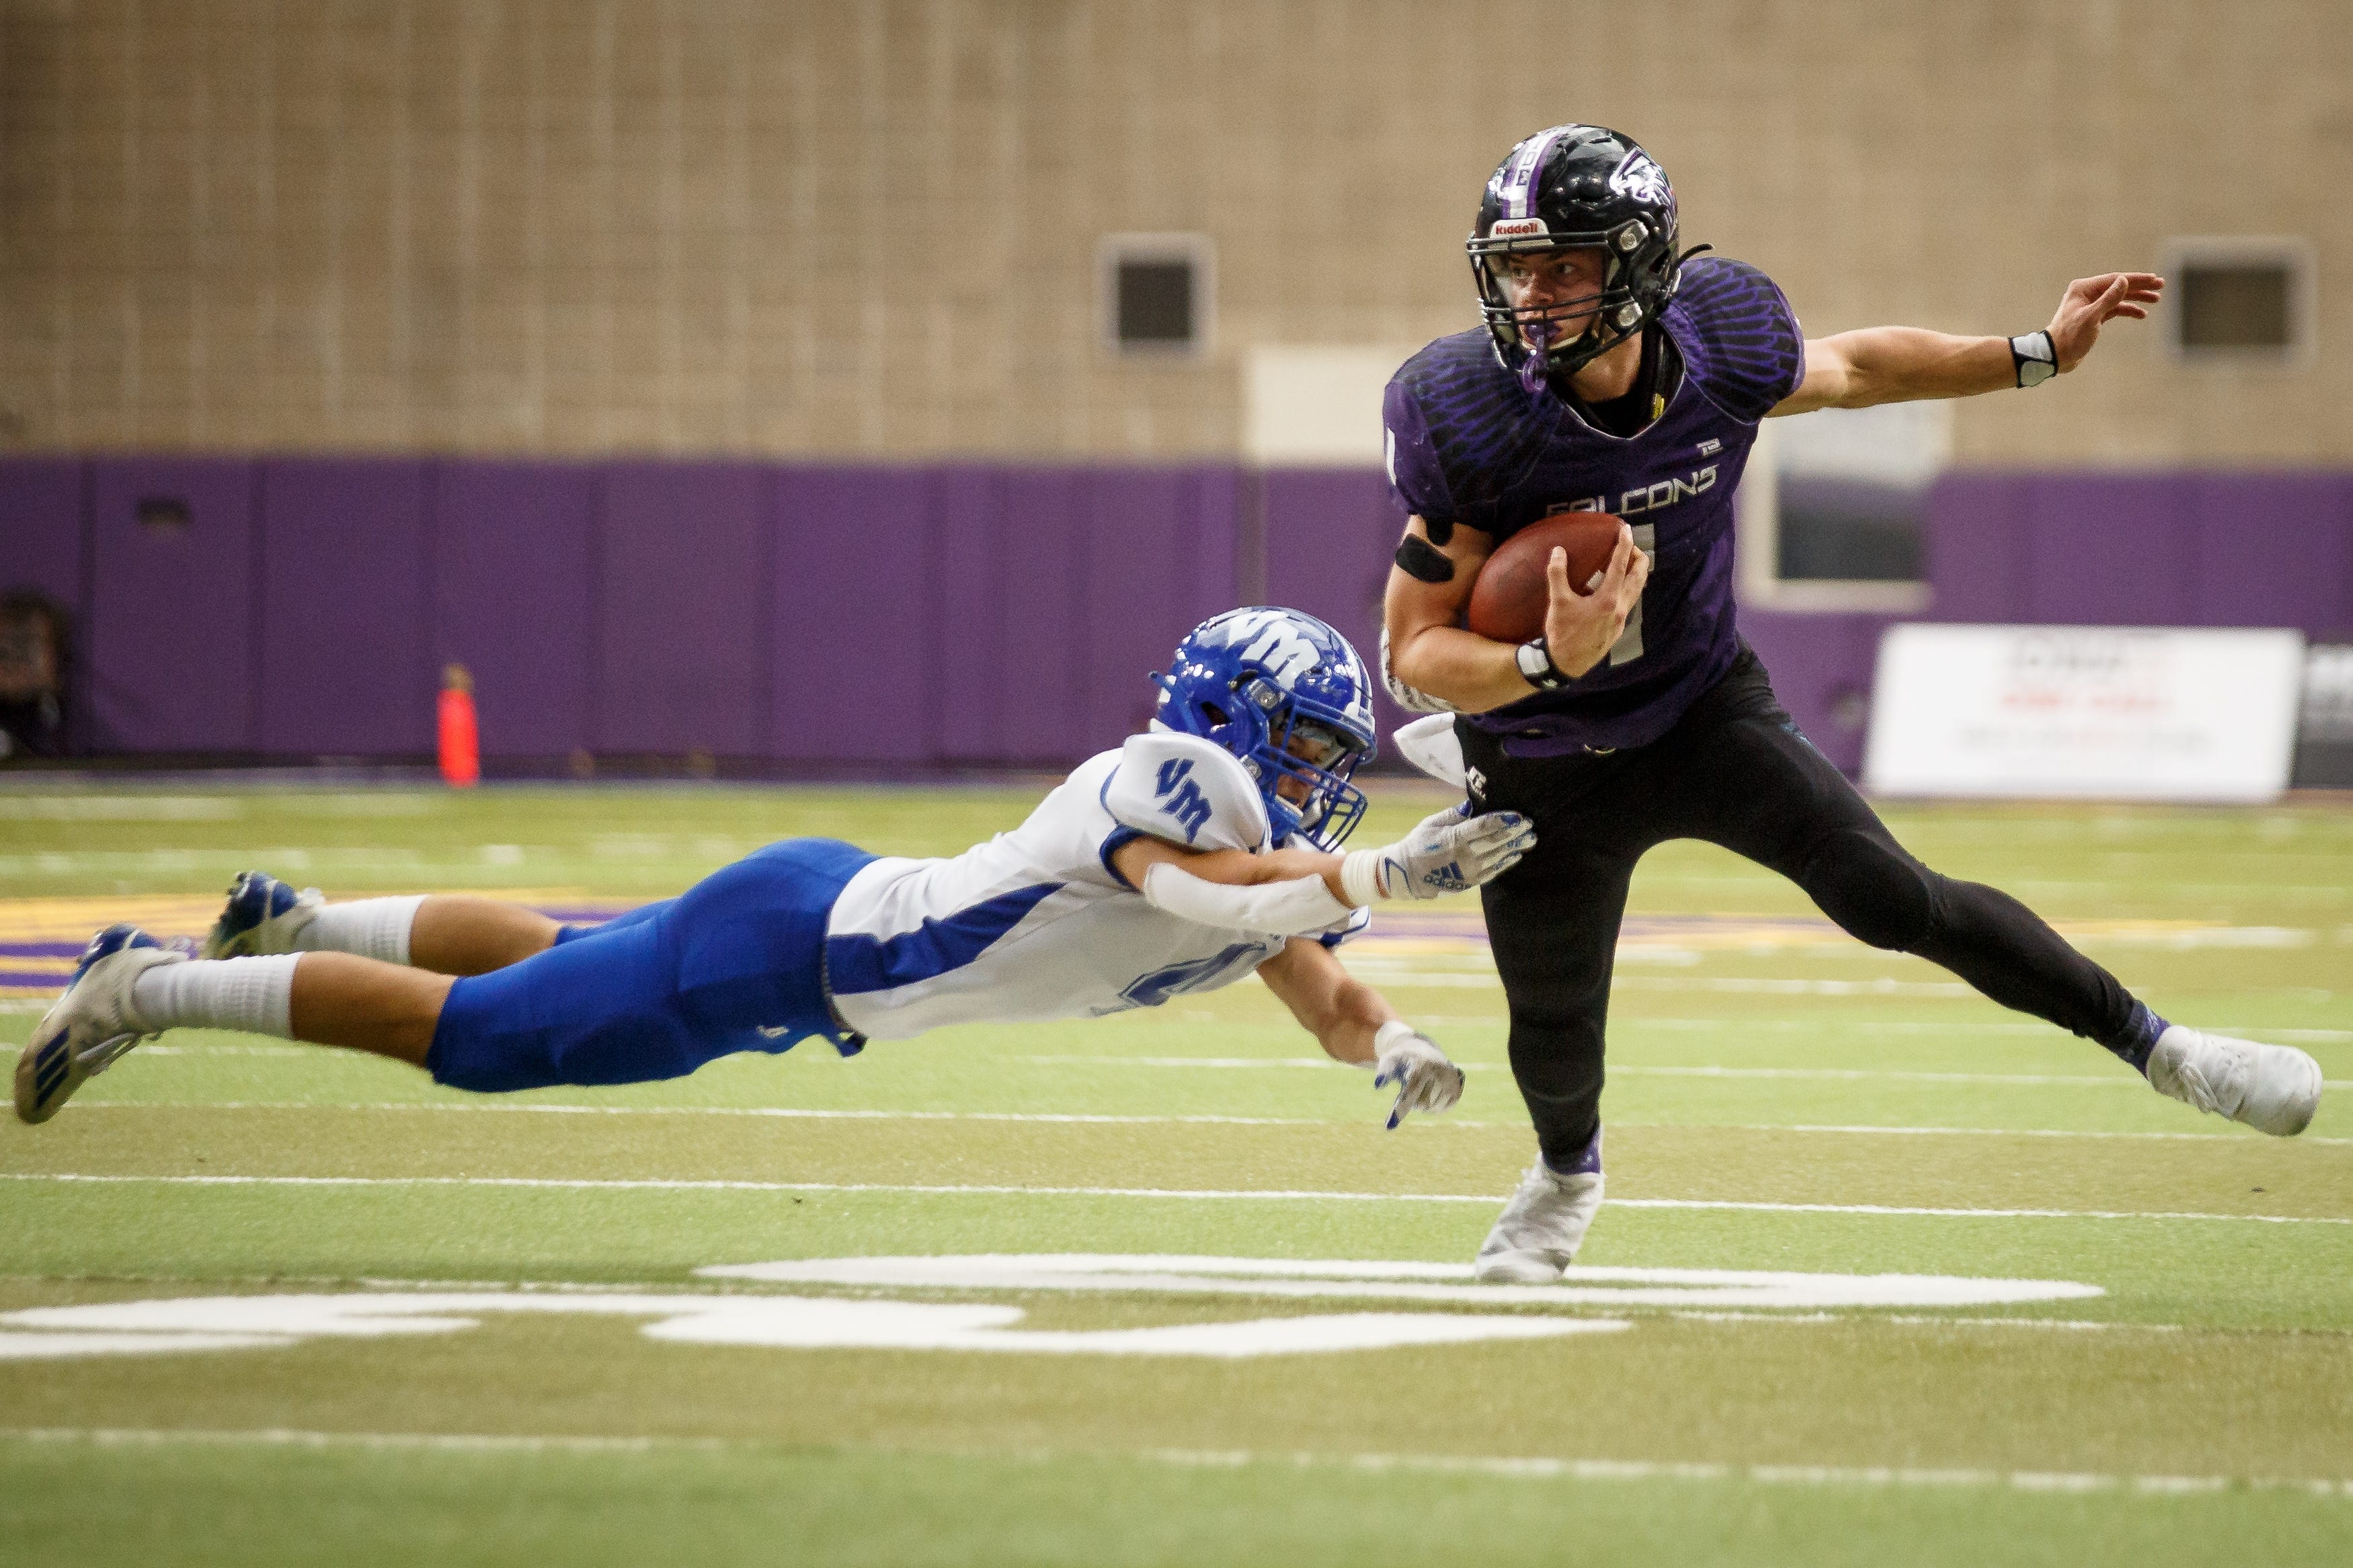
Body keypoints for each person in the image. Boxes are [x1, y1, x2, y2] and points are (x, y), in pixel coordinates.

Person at [1375, 124, 2325, 1284]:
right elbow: (1416, 648)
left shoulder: (1721, 344)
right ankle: (1567, 1174)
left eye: (1566, 265)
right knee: (1556, 1024)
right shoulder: (1469, 409)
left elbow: (1860, 369)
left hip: (1693, 708)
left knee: (1888, 893)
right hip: (1537, 749)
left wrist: (2032, 353)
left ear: (1638, 263)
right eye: (1518, 266)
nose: (1535, 294)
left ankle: (2167, 1049)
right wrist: (1542, 664)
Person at [16, 607, 1534, 1129]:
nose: (1330, 786)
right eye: (1312, 751)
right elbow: (1206, 903)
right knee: (483, 1045)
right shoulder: (1176, 788)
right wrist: (1382, 880)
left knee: (560, 952)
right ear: (1229, 725)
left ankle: (305, 918)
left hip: (811, 923)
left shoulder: (1267, 862)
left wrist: (1394, 1048)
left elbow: (1313, 983)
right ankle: (151, 988)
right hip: (796, 946)